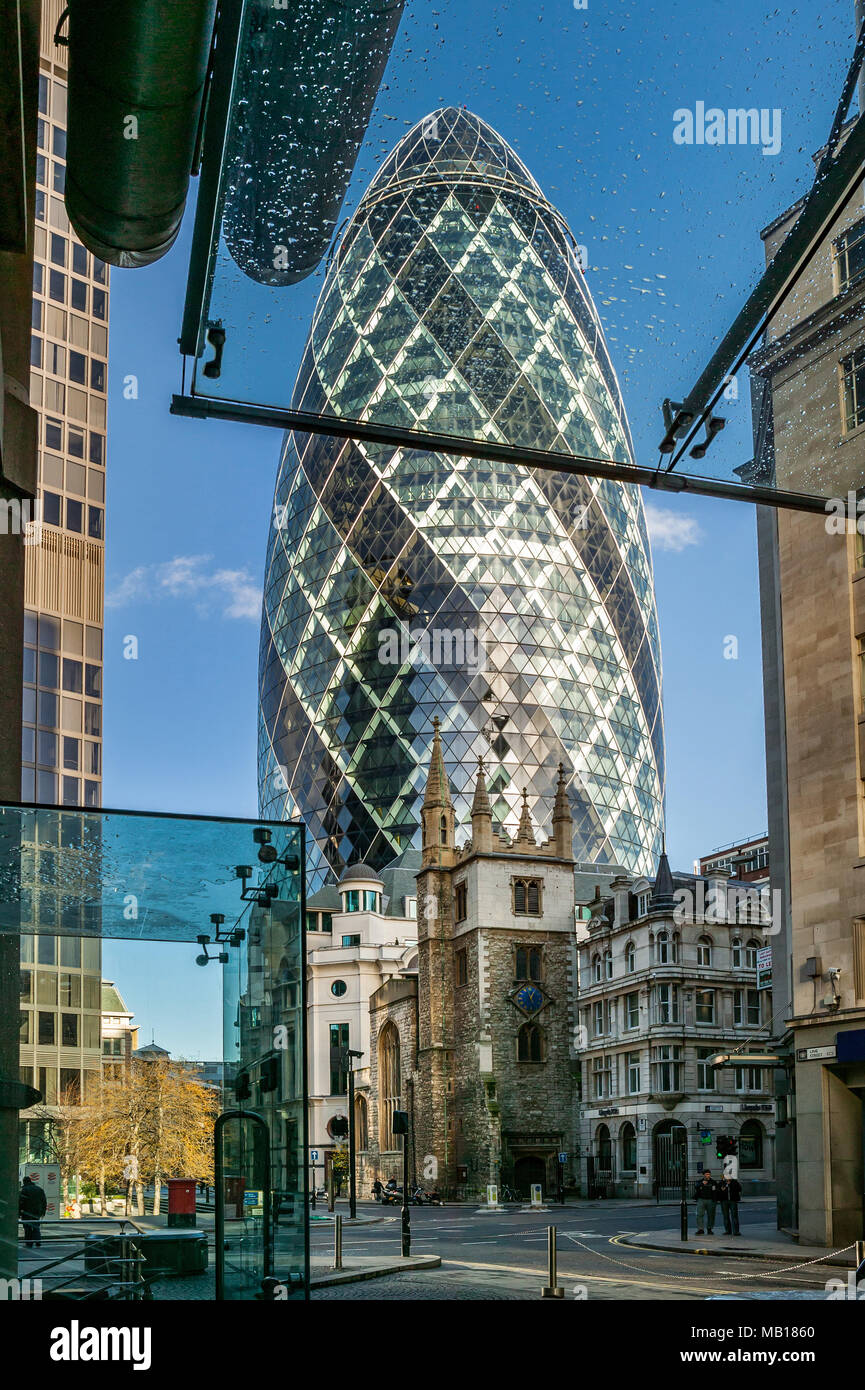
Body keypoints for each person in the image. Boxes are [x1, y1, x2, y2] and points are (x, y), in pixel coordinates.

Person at [19, 1174, 47, 1248]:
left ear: (24, 1182)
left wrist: (19, 1213)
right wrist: (43, 1211)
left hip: (26, 1212)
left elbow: (21, 1202)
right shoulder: (39, 1189)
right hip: (37, 1212)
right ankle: (38, 1242)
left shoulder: (24, 1190)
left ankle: (29, 1243)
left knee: (27, 1228)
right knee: (36, 1227)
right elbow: (44, 1201)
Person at [693, 1169, 718, 1235]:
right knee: (699, 1215)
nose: (708, 1175)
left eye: (709, 1174)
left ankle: (709, 1229)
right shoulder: (700, 1181)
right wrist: (701, 1184)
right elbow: (696, 1187)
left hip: (711, 1200)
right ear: (703, 1175)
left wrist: (715, 1200)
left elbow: (716, 1191)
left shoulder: (713, 1182)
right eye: (707, 1174)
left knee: (711, 1215)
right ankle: (700, 1229)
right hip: (701, 1199)